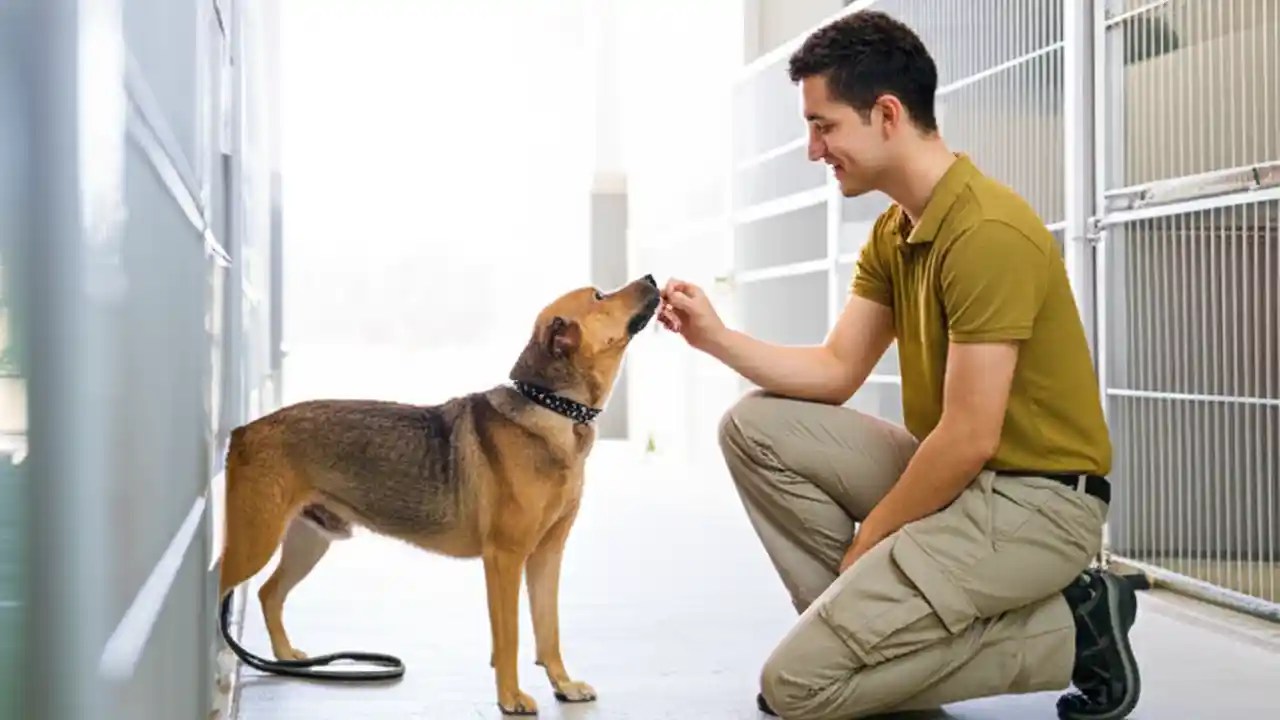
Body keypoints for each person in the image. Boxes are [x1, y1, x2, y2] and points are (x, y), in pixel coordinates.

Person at [657, 10, 1141, 720]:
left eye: (824, 126)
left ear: (886, 115)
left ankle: (1076, 631)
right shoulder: (896, 230)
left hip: (1038, 504)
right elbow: (835, 368)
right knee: (752, 426)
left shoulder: (987, 232)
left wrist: (874, 537)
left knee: (797, 690)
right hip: (962, 483)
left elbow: (970, 434)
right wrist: (716, 339)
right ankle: (870, 646)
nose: (813, 150)